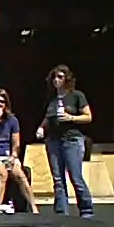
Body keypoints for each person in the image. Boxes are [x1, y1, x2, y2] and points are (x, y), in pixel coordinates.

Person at [35, 64, 94, 218]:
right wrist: (42, 128)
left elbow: (88, 116)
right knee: (58, 179)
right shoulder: (52, 99)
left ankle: (86, 211)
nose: (56, 80)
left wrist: (71, 118)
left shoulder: (76, 96)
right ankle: (61, 213)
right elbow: (48, 117)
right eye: (54, 77)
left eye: (60, 77)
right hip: (54, 140)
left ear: (67, 79)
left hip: (72, 139)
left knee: (75, 176)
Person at [0, 88, 38, 212]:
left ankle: (34, 207)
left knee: (21, 175)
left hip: (7, 156)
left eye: (1, 102)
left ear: (6, 104)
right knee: (2, 173)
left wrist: (13, 156)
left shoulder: (12, 120)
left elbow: (16, 144)